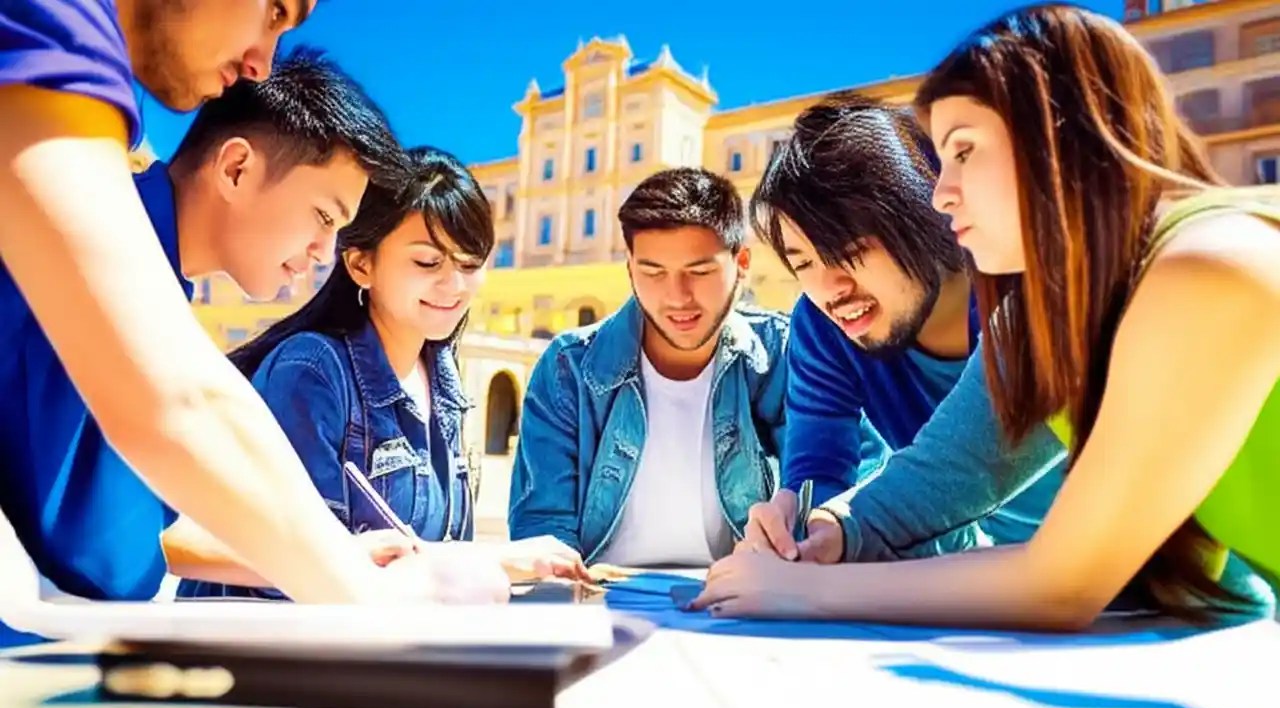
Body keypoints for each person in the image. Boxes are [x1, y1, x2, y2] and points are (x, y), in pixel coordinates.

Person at [695, 4, 1280, 629]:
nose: (941, 195)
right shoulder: (1050, 312)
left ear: (1062, 138)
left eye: (964, 151)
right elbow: (953, 469)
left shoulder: (1211, 265)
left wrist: (801, 592)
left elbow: (1063, 583)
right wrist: (831, 530)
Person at [0, 0, 443, 607]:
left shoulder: (160, 281)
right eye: (274, 12)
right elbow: (180, 403)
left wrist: (323, 551)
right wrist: (369, 602)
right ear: (235, 168)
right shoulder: (49, 38)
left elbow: (140, 525)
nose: (322, 254)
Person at [166, 146, 586, 601]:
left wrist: (505, 559)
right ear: (361, 264)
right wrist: (493, 562)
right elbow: (297, 561)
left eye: (470, 264)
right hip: (265, 649)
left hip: (381, 642)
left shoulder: (444, 380)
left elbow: (416, 555)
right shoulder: (312, 372)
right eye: (428, 262)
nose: (455, 285)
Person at [739, 91, 1064, 564]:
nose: (830, 287)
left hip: (1117, 569)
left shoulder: (1031, 294)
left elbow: (964, 468)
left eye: (848, 250)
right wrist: (798, 521)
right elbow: (818, 472)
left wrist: (844, 527)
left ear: (921, 214)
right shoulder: (821, 324)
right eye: (803, 262)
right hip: (970, 563)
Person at [508, 167, 789, 567]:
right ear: (629, 267)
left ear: (741, 262)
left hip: (745, 601)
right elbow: (542, 527)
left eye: (700, 271)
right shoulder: (567, 368)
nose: (678, 297)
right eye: (653, 272)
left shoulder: (782, 354)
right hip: (600, 603)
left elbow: (847, 482)